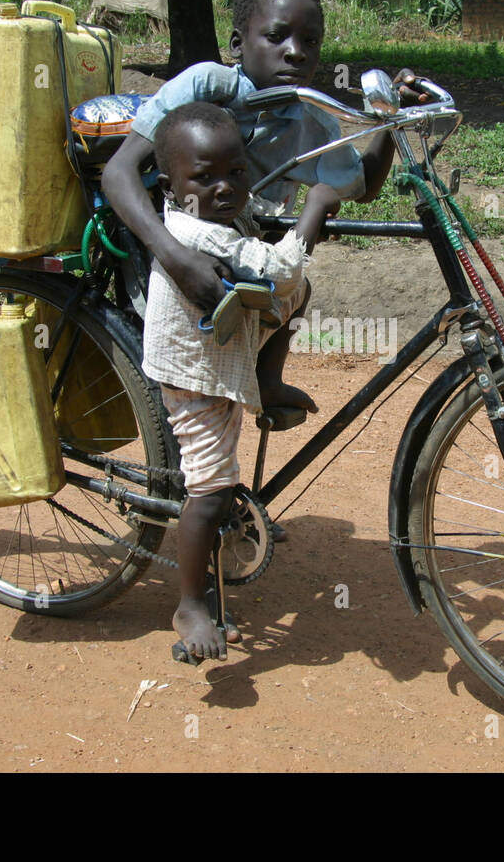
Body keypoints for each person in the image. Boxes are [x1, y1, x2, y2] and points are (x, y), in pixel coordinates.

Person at [102, 0, 426, 413]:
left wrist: (393, 118)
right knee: (201, 408)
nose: (295, 52)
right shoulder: (206, 86)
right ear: (238, 45)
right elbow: (118, 173)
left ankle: (266, 379)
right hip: (166, 253)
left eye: (310, 42)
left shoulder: (309, 118)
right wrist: (178, 261)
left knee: (298, 290)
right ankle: (198, 478)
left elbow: (364, 186)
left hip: (241, 259)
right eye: (277, 37)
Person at [141, 101, 340, 662]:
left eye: (236, 173)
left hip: (222, 350)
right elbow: (276, 268)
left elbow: (277, 274)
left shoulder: (218, 216)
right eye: (204, 178)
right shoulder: (194, 231)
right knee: (210, 488)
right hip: (196, 376)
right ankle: (190, 603)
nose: (225, 188)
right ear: (170, 185)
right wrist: (317, 205)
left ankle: (266, 380)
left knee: (298, 295)